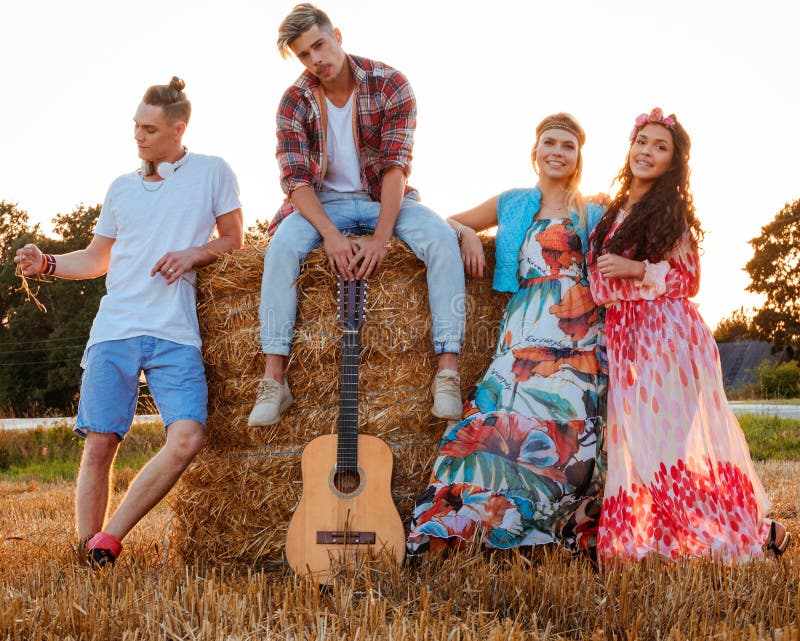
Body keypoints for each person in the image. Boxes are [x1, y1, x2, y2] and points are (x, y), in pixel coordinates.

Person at [14, 77, 244, 566]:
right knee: (100, 444)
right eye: (135, 127)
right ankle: (87, 553)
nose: (137, 136)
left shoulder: (212, 172)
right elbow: (98, 257)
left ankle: (110, 537)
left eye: (148, 128)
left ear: (177, 129)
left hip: (175, 333)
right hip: (114, 330)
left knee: (187, 438)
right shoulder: (121, 187)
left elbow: (233, 240)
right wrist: (48, 262)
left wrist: (192, 254)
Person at [247, 3, 465, 427]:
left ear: (338, 36)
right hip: (320, 205)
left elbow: (395, 168)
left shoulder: (390, 84)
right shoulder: (294, 102)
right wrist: (330, 236)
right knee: (280, 250)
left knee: (440, 239)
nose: (316, 61)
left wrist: (381, 239)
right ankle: (274, 379)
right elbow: (296, 182)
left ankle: (448, 371)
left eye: (319, 46)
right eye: (304, 55)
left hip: (383, 198)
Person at [588, 108, 791, 562]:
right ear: (630, 147)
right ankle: (665, 537)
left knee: (665, 446)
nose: (648, 152)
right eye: (643, 142)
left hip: (667, 339)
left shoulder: (669, 213)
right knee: (641, 445)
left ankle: (756, 533)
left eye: (661, 147)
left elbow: (690, 280)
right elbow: (600, 287)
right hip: (628, 342)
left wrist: (635, 269)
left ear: (672, 163)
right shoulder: (614, 212)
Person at [407, 113, 607, 555]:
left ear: (578, 157)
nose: (557, 151)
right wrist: (469, 237)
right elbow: (445, 221)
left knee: (567, 429)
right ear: (534, 152)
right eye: (549, 142)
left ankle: (551, 526)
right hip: (523, 328)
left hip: (580, 332)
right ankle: (477, 521)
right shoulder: (512, 203)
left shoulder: (594, 211)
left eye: (568, 146)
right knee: (489, 417)